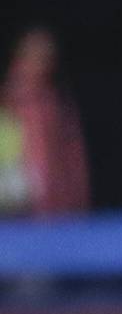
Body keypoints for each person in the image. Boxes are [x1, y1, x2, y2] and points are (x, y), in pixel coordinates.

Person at [0, 28, 90, 218]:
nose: (42, 64)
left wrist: (75, 198)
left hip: (54, 205)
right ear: (21, 58)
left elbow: (70, 155)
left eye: (47, 58)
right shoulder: (8, 100)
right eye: (36, 57)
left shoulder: (56, 102)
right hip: (15, 191)